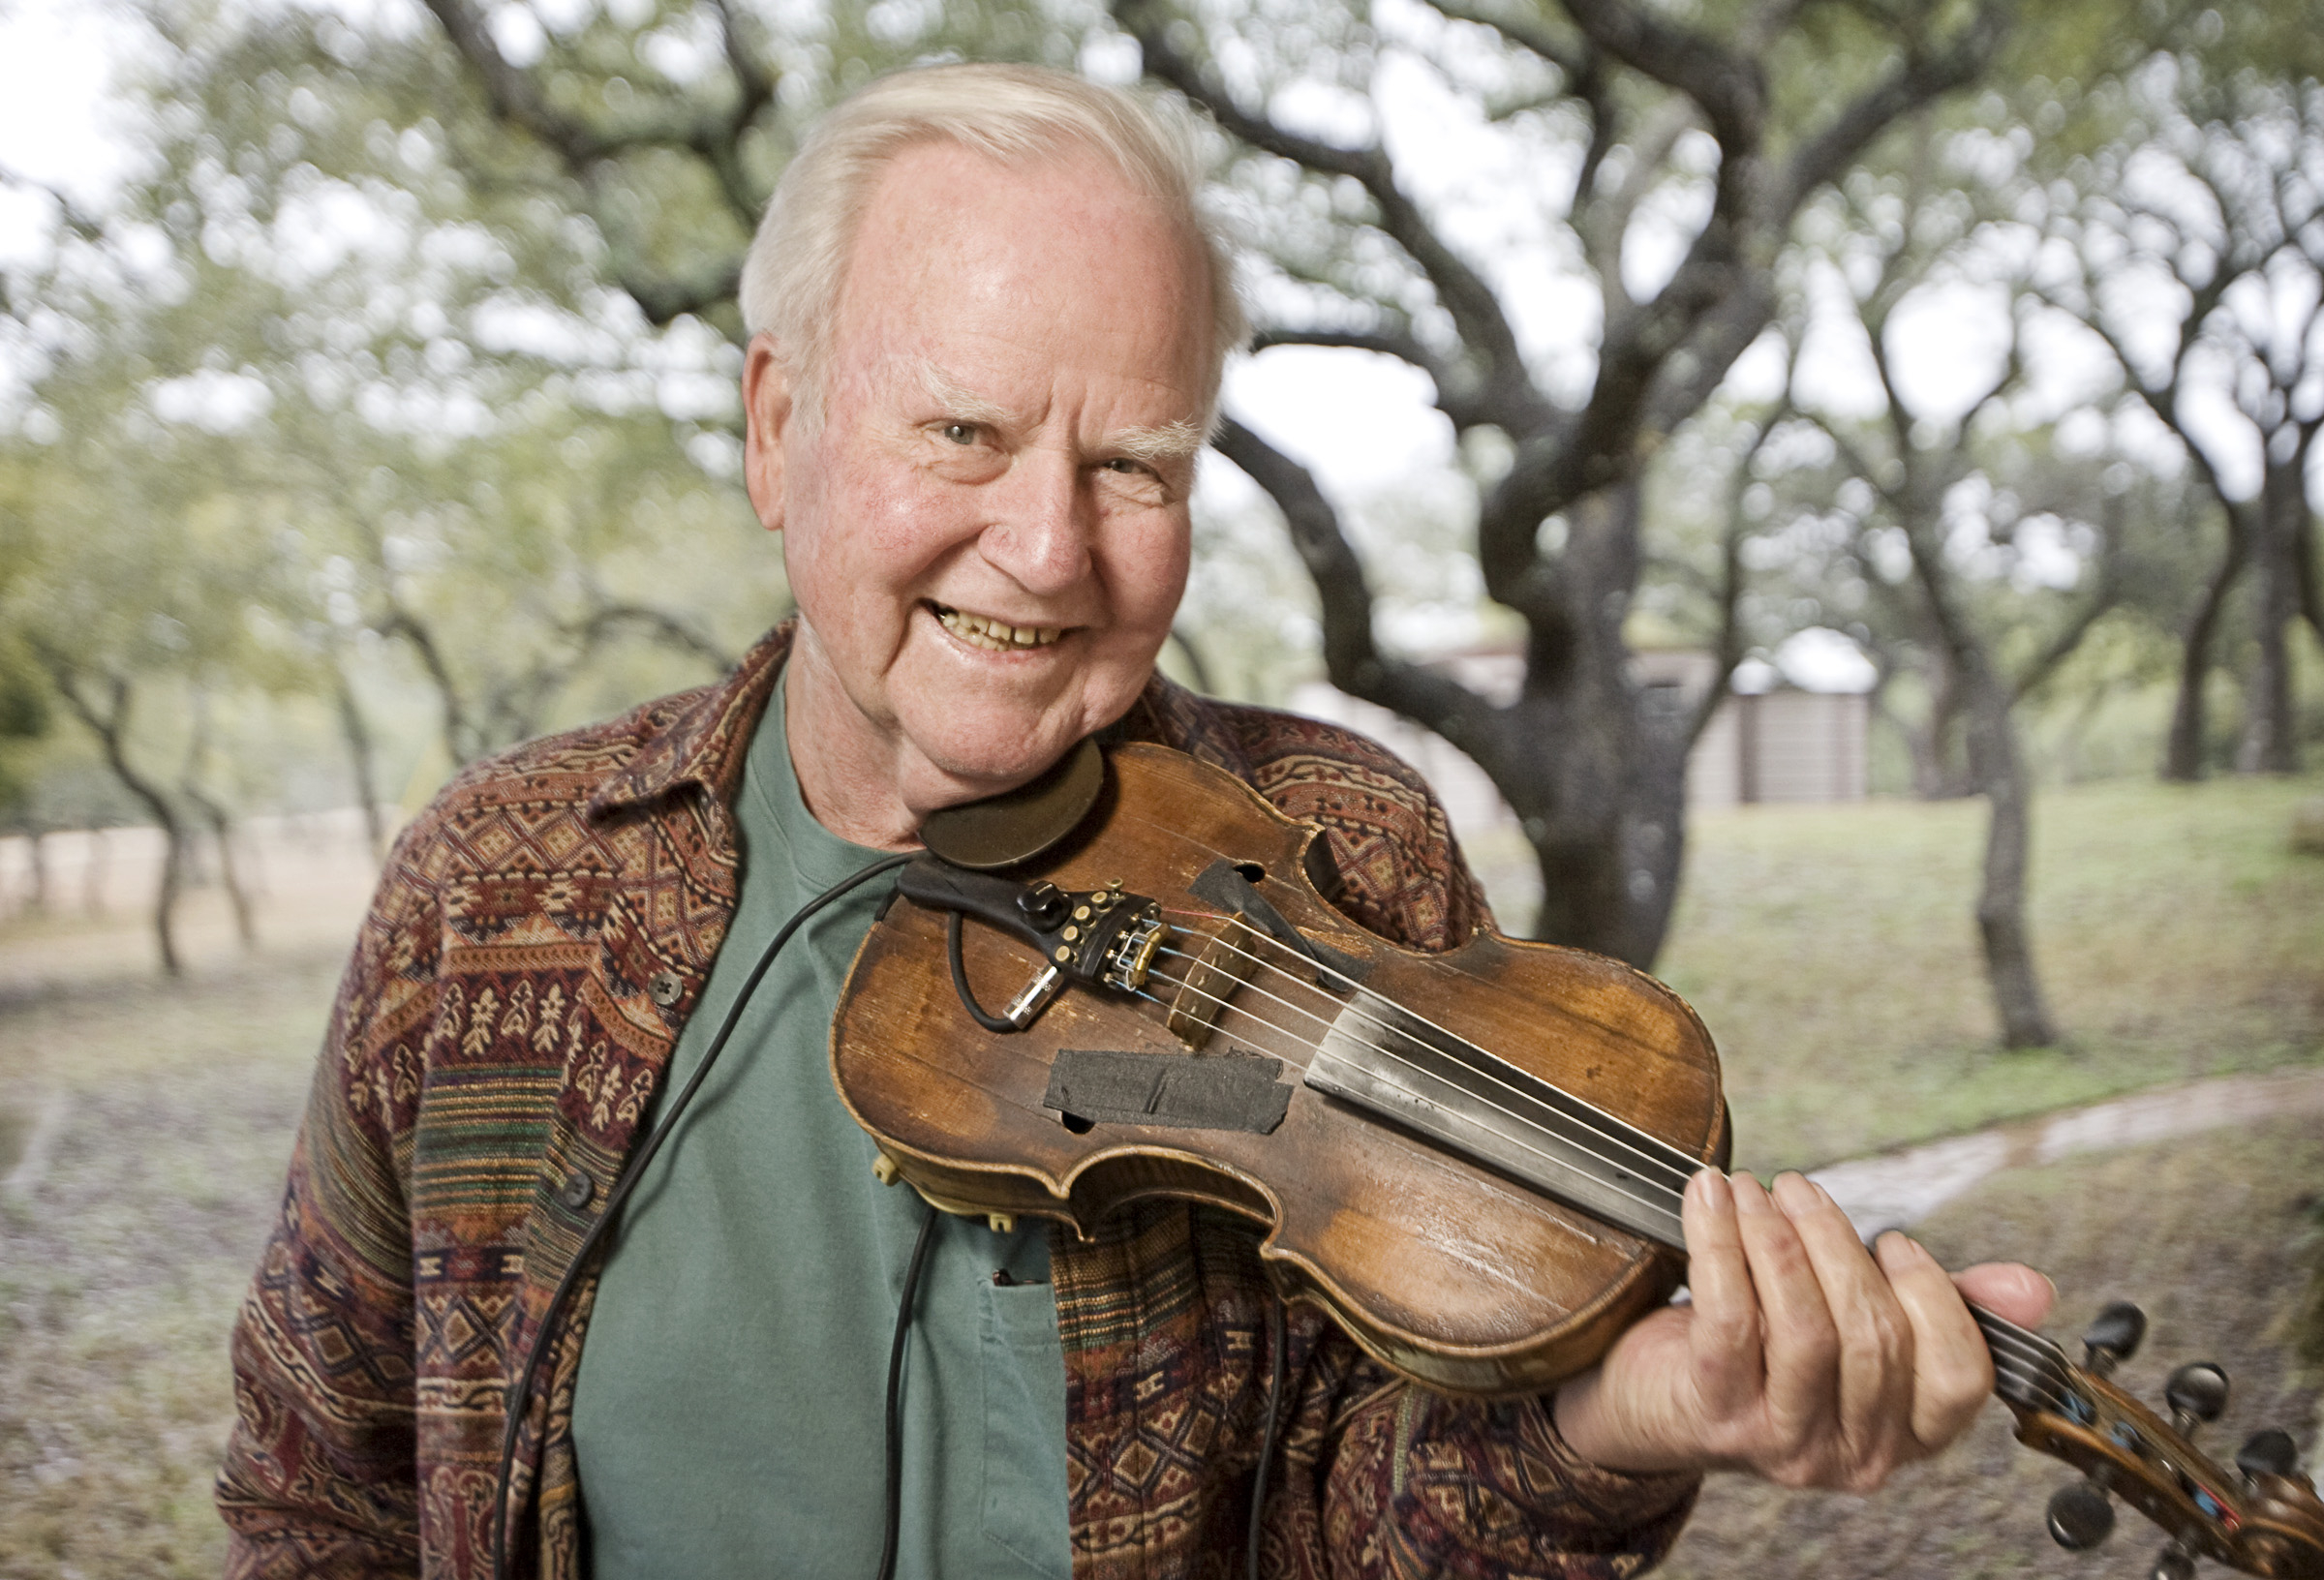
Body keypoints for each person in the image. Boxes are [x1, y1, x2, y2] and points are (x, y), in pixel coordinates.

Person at [216, 63, 2053, 1580]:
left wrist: (1606, 1429)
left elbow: (1374, 1531)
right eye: (961, 433)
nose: (1047, 547)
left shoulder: (1341, 845)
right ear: (779, 428)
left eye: (1133, 466)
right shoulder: (496, 890)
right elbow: (321, 1494)